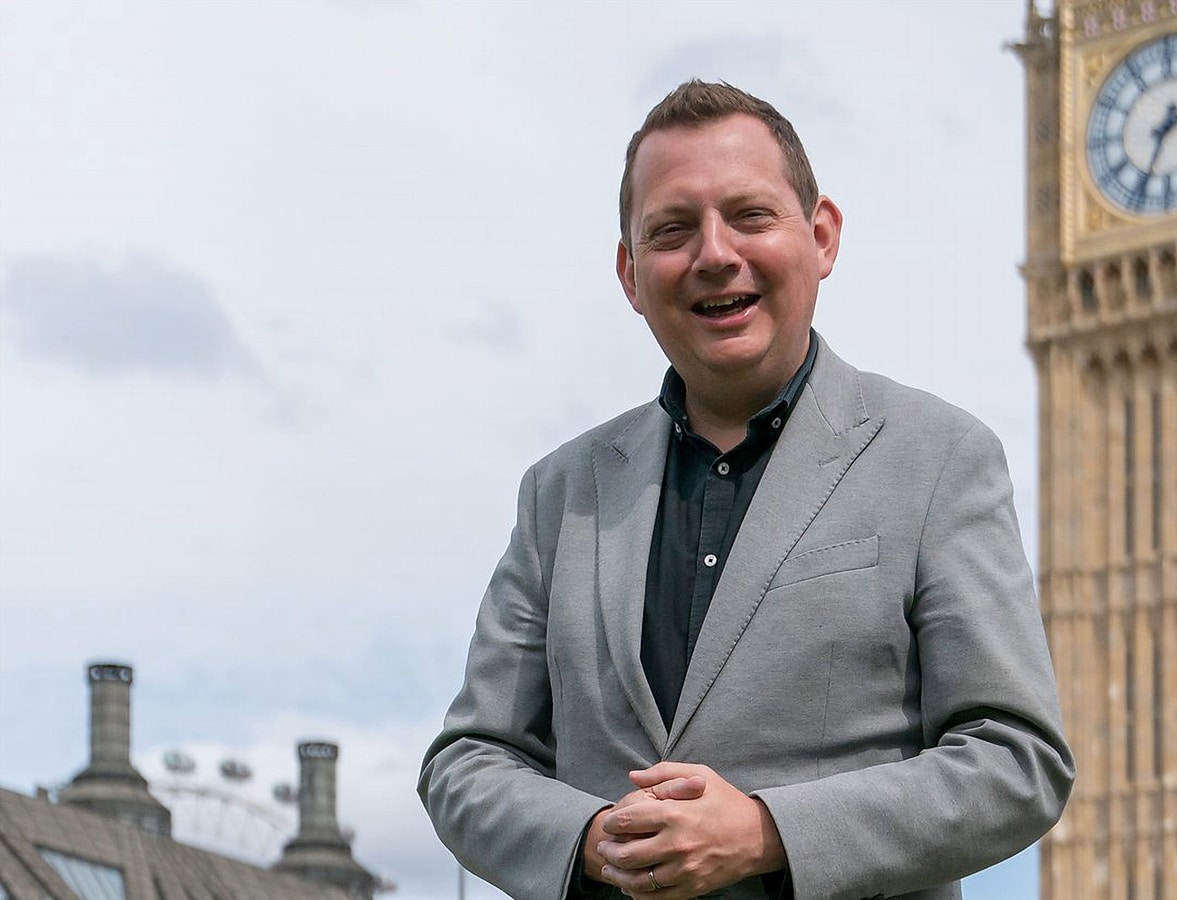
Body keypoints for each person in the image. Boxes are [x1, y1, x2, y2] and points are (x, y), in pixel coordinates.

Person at [418, 79, 1073, 900]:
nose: (715, 253)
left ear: (822, 237)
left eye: (750, 215)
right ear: (630, 273)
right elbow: (466, 762)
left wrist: (768, 832)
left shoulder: (939, 458)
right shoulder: (562, 493)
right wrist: (584, 838)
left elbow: (1018, 763)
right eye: (672, 230)